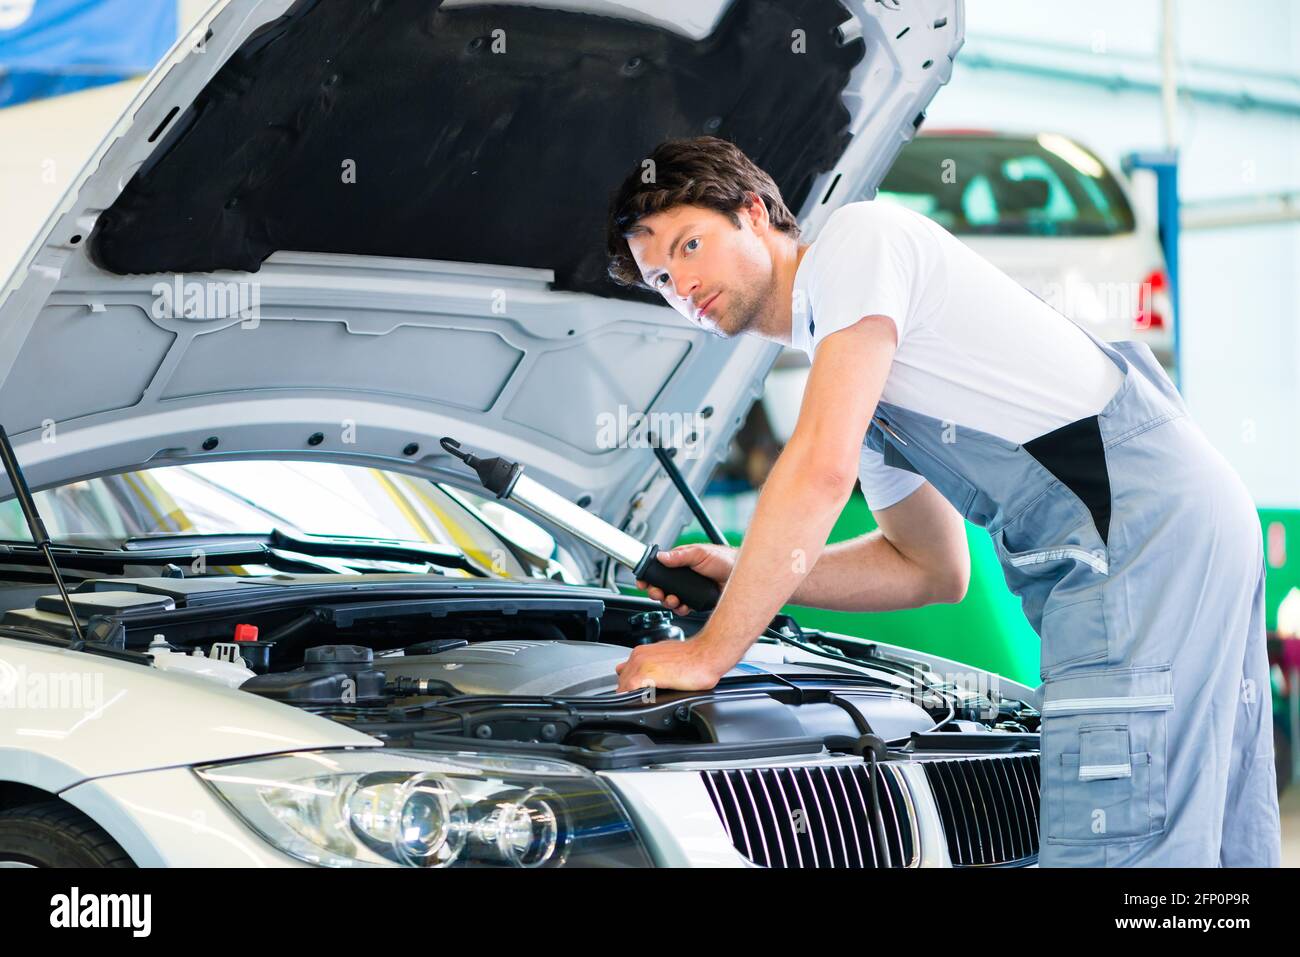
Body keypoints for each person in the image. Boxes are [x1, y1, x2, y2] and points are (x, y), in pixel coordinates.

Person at [602, 135, 1281, 867]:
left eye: (691, 245)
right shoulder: (861, 366)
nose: (682, 285)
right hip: (1172, 520)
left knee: (1119, 838)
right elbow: (927, 565)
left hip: (1135, 536)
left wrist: (709, 652)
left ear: (754, 211)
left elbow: (818, 470)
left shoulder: (857, 243)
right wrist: (745, 567)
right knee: (1210, 844)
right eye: (662, 278)